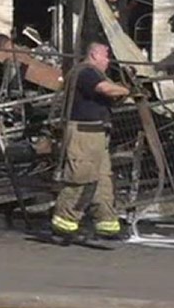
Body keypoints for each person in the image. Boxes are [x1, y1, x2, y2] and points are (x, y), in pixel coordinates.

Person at [50, 41, 130, 239]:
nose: (108, 61)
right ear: (94, 55)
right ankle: (64, 223)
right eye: (106, 56)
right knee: (81, 178)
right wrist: (126, 90)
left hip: (97, 134)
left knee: (103, 180)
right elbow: (105, 89)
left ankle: (107, 223)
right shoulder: (85, 73)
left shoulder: (94, 73)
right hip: (83, 135)